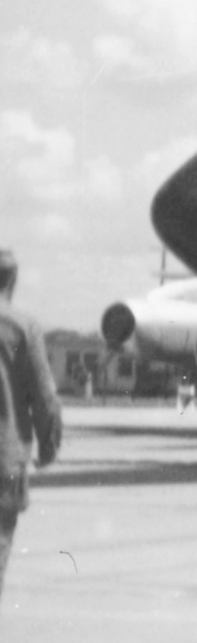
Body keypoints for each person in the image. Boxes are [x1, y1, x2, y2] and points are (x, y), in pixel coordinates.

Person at [0, 247, 63, 601]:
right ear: (13, 280)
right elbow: (45, 399)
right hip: (5, 460)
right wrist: (49, 447)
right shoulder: (24, 327)